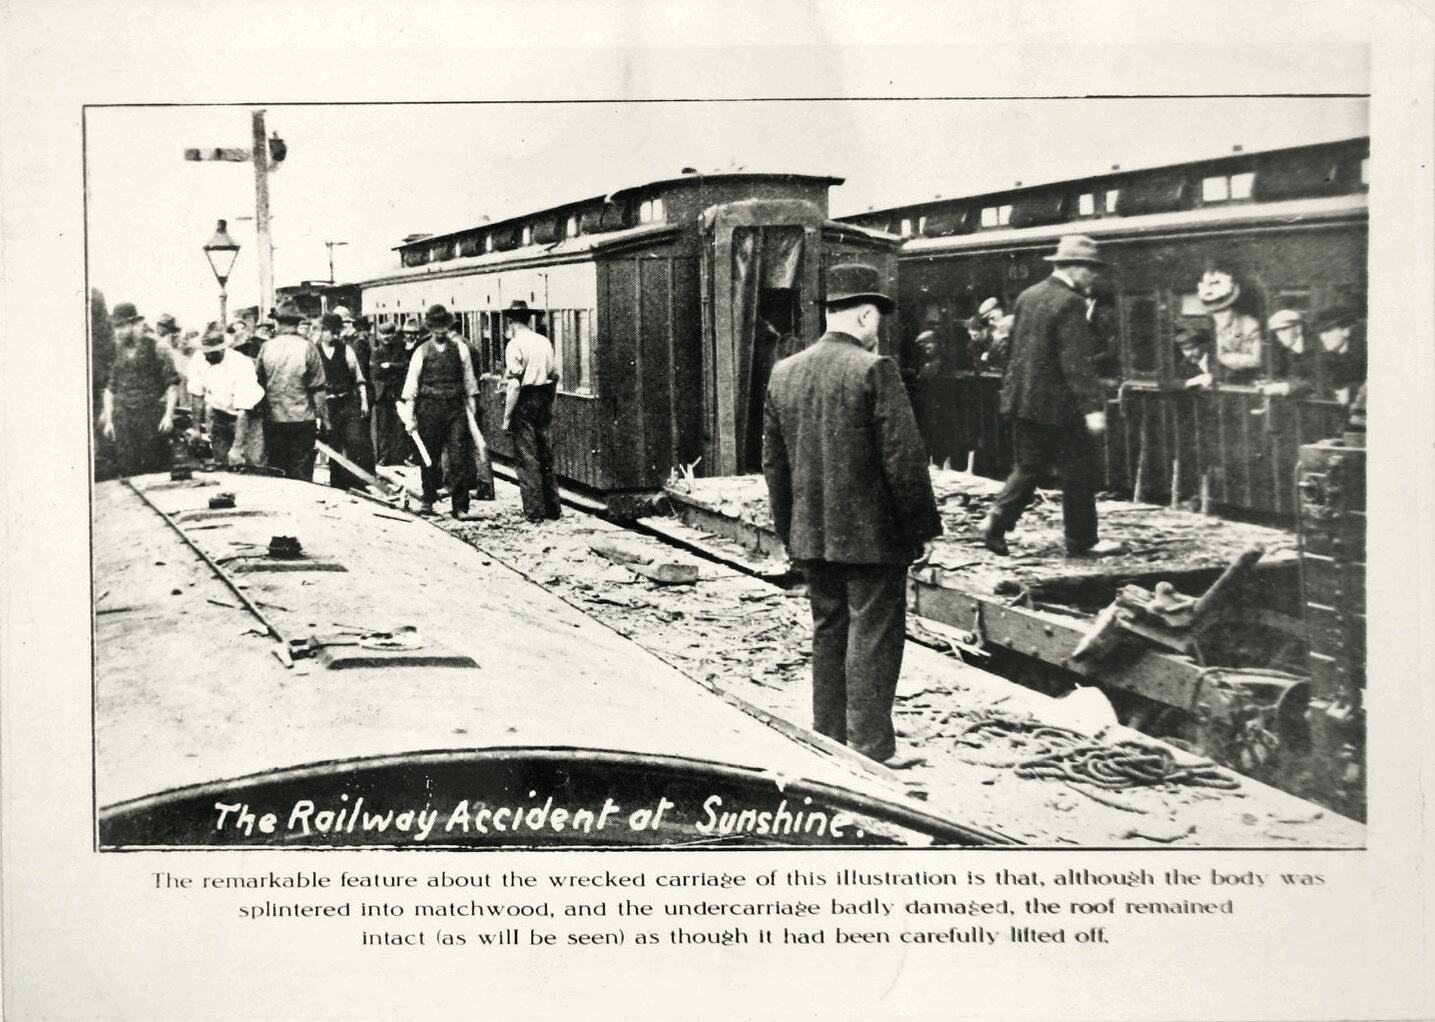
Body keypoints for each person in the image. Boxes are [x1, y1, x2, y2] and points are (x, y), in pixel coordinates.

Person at [762, 263, 940, 769]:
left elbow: (774, 465)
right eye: (877, 318)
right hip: (872, 537)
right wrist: (924, 528)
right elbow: (903, 458)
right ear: (865, 315)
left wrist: (789, 532)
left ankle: (829, 738)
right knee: (873, 632)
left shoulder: (784, 371)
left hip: (811, 534)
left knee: (829, 628)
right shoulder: (873, 369)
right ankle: (871, 748)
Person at [981, 235, 1121, 558]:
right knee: (1079, 471)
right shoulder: (1070, 302)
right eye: (1091, 270)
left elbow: (1015, 351)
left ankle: (997, 522)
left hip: (1024, 401)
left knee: (1029, 467)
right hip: (1061, 407)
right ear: (1074, 267)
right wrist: (1091, 409)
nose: (1094, 277)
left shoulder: (1028, 296)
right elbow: (1075, 361)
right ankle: (1082, 540)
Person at [400, 304, 480, 519]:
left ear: (448, 327)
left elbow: (469, 380)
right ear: (430, 328)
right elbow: (411, 385)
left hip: (455, 409)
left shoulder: (460, 349)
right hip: (429, 408)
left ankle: (461, 507)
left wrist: (471, 406)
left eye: (444, 328)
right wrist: (410, 415)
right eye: (436, 328)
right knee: (429, 457)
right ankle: (428, 501)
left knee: (459, 457)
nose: (440, 332)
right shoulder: (421, 351)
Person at [99, 302, 179, 476]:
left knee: (154, 467)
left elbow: (171, 385)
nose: (117, 331)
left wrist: (168, 416)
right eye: (115, 327)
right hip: (124, 420)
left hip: (150, 419)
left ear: (133, 324)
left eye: (121, 326)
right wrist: (109, 420)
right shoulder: (117, 352)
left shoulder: (157, 348)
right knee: (127, 467)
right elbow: (110, 389)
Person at [501, 299, 562, 522]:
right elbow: (555, 375)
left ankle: (535, 512)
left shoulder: (514, 345)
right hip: (544, 398)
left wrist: (507, 417)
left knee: (527, 458)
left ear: (511, 322)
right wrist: (549, 401)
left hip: (524, 401)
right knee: (546, 455)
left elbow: (515, 384)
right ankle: (553, 509)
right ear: (528, 319)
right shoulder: (544, 341)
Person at [255, 299, 328, 480]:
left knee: (277, 472)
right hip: (302, 420)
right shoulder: (308, 347)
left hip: (274, 420)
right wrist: (325, 421)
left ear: (277, 322)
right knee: (301, 474)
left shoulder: (266, 348)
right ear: (297, 323)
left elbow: (258, 385)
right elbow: (318, 390)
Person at [186, 322, 264, 466]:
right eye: (205, 352)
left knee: (251, 464)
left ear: (223, 349)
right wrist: (196, 429)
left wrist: (236, 448)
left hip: (248, 419)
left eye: (212, 353)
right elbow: (196, 395)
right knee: (220, 464)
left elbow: (243, 411)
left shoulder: (241, 363)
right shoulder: (199, 359)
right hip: (220, 417)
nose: (207, 356)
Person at [315, 312, 373, 490]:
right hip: (327, 406)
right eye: (331, 332)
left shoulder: (345, 349)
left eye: (337, 332)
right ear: (322, 331)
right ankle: (338, 483)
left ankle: (357, 481)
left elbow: (359, 378)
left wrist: (363, 402)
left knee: (355, 441)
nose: (334, 335)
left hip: (347, 402)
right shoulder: (314, 351)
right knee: (334, 444)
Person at [1196, 268, 1264, 385]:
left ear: (1233, 309)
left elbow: (1256, 360)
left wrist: (1222, 357)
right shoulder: (1216, 328)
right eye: (1215, 313)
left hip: (1252, 381)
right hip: (1228, 381)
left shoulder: (1250, 325)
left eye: (1224, 311)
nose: (1219, 317)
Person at [370, 320, 411, 465]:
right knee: (383, 426)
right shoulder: (376, 351)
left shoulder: (399, 350)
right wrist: (393, 368)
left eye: (389, 334)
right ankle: (385, 457)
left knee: (400, 424)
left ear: (394, 334)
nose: (386, 337)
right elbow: (376, 371)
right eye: (383, 334)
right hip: (382, 394)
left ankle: (400, 456)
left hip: (397, 392)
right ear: (379, 336)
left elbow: (406, 365)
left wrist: (390, 366)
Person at [1314, 304, 1367, 405]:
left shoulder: (1365, 356)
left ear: (1346, 331)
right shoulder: (1326, 358)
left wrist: (1352, 392)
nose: (1323, 337)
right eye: (1321, 332)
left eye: (1328, 331)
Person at [1262, 309, 1316, 397]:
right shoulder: (1282, 350)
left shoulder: (1314, 347)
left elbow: (1316, 380)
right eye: (1277, 331)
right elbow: (1279, 373)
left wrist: (1286, 387)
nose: (1280, 335)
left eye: (1284, 329)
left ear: (1298, 328)